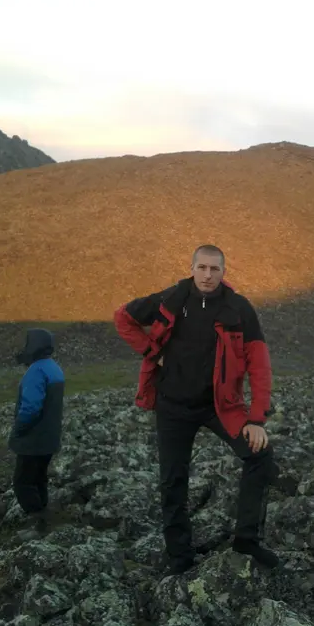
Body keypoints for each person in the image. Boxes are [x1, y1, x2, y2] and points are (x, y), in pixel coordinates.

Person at [114, 245, 279, 574]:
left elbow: (259, 365)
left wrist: (257, 419)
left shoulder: (239, 309)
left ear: (223, 272)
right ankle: (180, 557)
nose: (207, 275)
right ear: (191, 269)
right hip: (172, 406)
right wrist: (152, 352)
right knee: (172, 481)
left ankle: (247, 540)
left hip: (220, 407)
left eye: (214, 269)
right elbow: (124, 318)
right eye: (202, 267)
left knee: (259, 455)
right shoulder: (170, 299)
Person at [8, 328, 65, 534]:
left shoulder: (36, 371)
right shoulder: (54, 368)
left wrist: (18, 429)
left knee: (23, 482)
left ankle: (36, 524)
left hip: (33, 440)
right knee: (39, 478)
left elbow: (31, 409)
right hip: (49, 439)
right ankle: (44, 518)